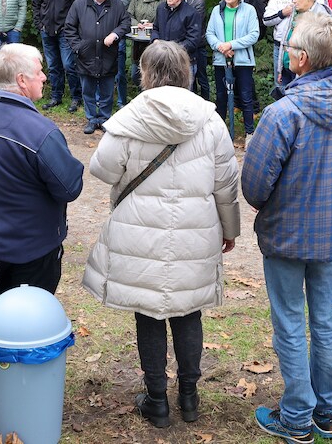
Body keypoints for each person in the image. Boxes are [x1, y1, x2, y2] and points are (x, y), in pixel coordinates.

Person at [82, 41, 240, 428]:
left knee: (149, 314)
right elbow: (227, 184)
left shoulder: (129, 118)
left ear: (146, 74)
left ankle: (156, 399)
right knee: (188, 313)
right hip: (195, 231)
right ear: (186, 72)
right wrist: (230, 230)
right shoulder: (210, 119)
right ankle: (189, 397)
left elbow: (102, 168)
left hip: (140, 232)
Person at [243, 14, 332, 443]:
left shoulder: (283, 113)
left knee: (293, 323)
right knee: (324, 318)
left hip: (289, 233)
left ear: (300, 59)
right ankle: (324, 409)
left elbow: (255, 185)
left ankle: (298, 416)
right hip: (330, 231)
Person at [0, 44, 85, 302]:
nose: (45, 77)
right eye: (39, 71)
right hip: (34, 248)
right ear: (22, 80)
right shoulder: (39, 131)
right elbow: (70, 187)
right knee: (30, 319)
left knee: (1, 305)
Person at [64, 0, 132, 134]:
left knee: (107, 90)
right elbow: (69, 28)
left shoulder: (116, 5)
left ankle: (104, 119)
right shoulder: (79, 4)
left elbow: (126, 22)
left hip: (108, 55)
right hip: (86, 55)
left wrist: (115, 34)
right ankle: (91, 119)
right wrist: (78, 46)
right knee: (87, 90)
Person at [206, 0, 260, 141]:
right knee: (221, 96)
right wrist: (221, 46)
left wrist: (231, 45)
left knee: (245, 95)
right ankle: (219, 132)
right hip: (221, 59)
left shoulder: (249, 10)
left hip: (243, 60)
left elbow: (254, 35)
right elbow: (209, 33)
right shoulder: (217, 10)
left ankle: (249, 132)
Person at [32, 0, 85, 109]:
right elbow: (36, 6)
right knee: (53, 65)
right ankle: (56, 96)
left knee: (69, 64)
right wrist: (39, 24)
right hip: (46, 30)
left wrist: (70, 28)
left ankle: (76, 97)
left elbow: (78, 9)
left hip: (65, 32)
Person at [277, 0, 331, 88]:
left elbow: (323, 48)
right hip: (288, 64)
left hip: (308, 70)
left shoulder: (322, 16)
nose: (294, 1)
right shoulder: (295, 12)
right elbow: (285, 39)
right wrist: (280, 68)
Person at [151, 0, 204, 83]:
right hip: (162, 60)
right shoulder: (161, 8)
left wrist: (171, 51)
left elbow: (193, 41)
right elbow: (155, 28)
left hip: (183, 62)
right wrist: (155, 40)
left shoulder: (191, 13)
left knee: (182, 97)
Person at [263, 0, 303, 86]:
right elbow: (266, 19)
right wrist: (282, 13)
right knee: (281, 86)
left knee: (301, 87)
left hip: (304, 48)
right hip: (281, 47)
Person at [128, 0, 166, 85]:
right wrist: (136, 24)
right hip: (138, 41)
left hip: (155, 41)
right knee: (136, 74)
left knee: (154, 73)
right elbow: (128, 15)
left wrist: (153, 25)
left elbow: (167, 18)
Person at [183, 0, 210, 99]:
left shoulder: (198, 2)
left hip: (198, 45)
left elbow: (195, 25)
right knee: (189, 78)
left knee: (201, 77)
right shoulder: (181, 1)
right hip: (186, 45)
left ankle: (206, 101)